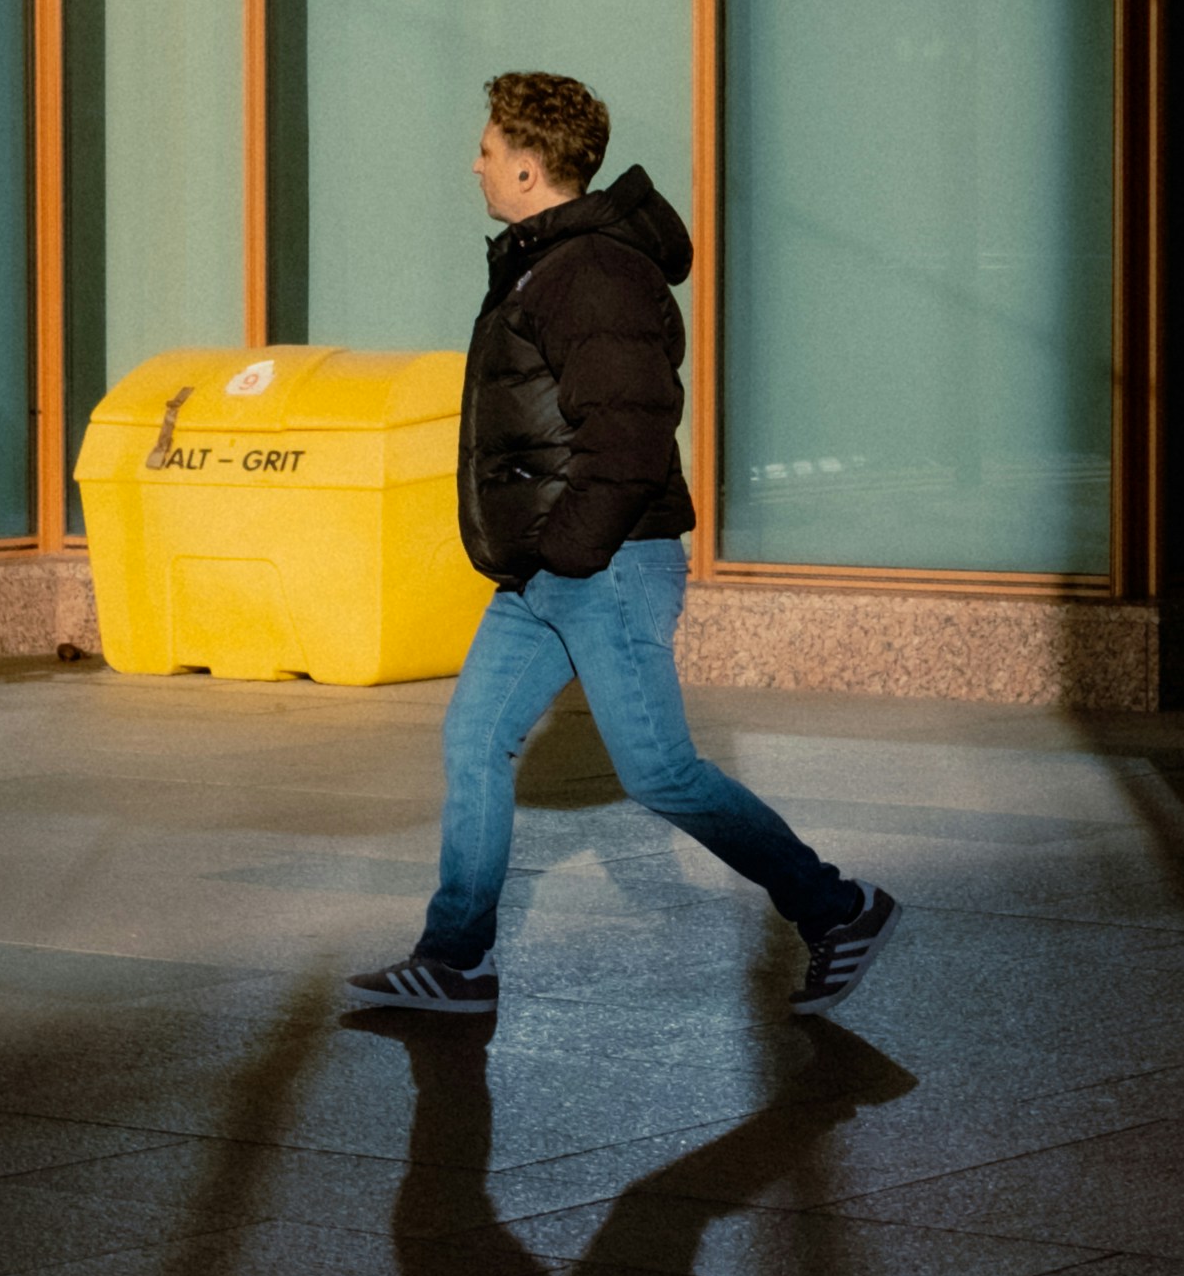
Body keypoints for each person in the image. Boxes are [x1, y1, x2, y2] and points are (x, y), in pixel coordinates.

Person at [342, 71, 901, 1022]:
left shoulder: (589, 270)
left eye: (484, 148)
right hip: (546, 570)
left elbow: (632, 433)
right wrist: (539, 557)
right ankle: (455, 960)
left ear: (525, 167)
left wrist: (566, 549)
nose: (472, 162)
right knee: (474, 738)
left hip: (604, 562)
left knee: (658, 772)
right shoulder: (540, 260)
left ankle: (839, 909)